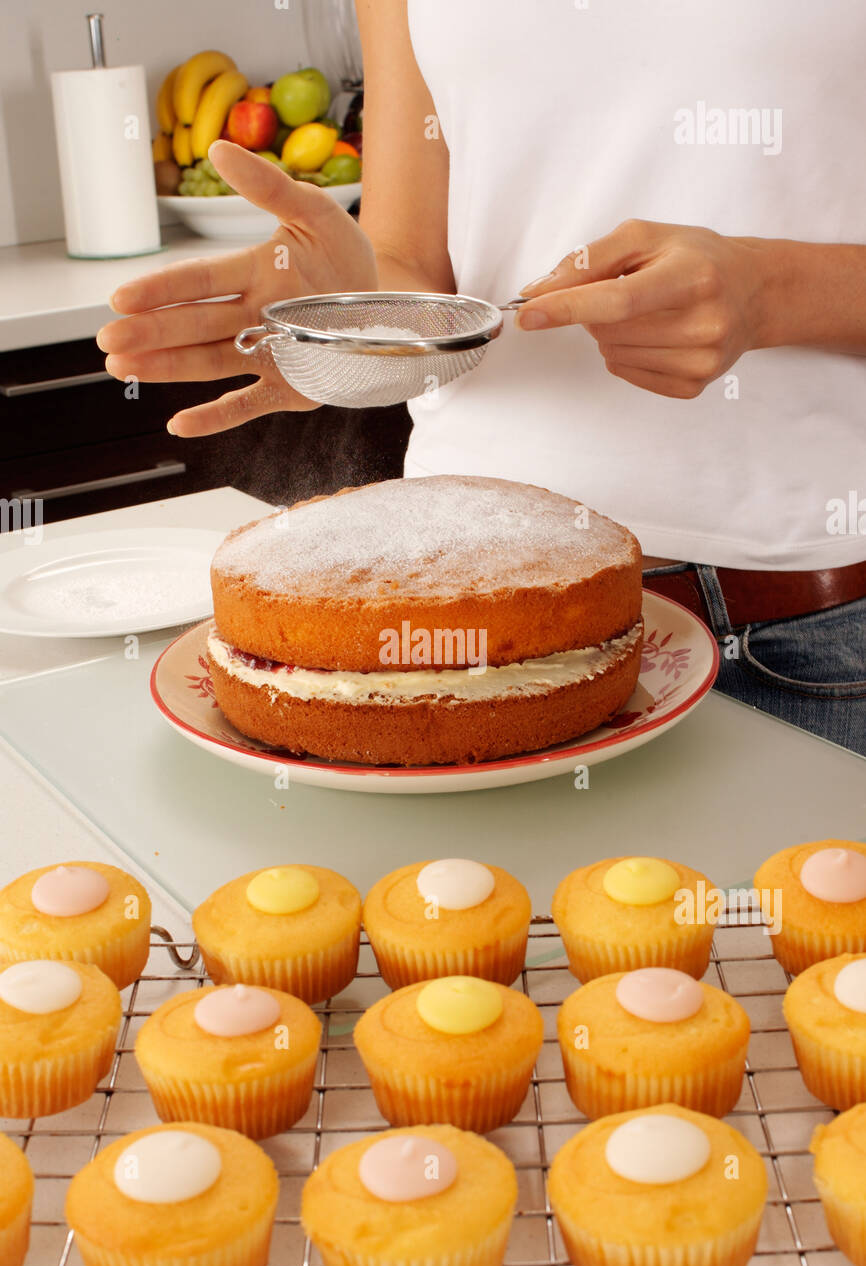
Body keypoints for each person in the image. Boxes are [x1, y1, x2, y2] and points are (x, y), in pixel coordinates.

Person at [97, 0, 866, 754]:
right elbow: (413, 263)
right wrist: (350, 314)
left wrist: (771, 291)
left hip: (804, 632)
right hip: (437, 642)